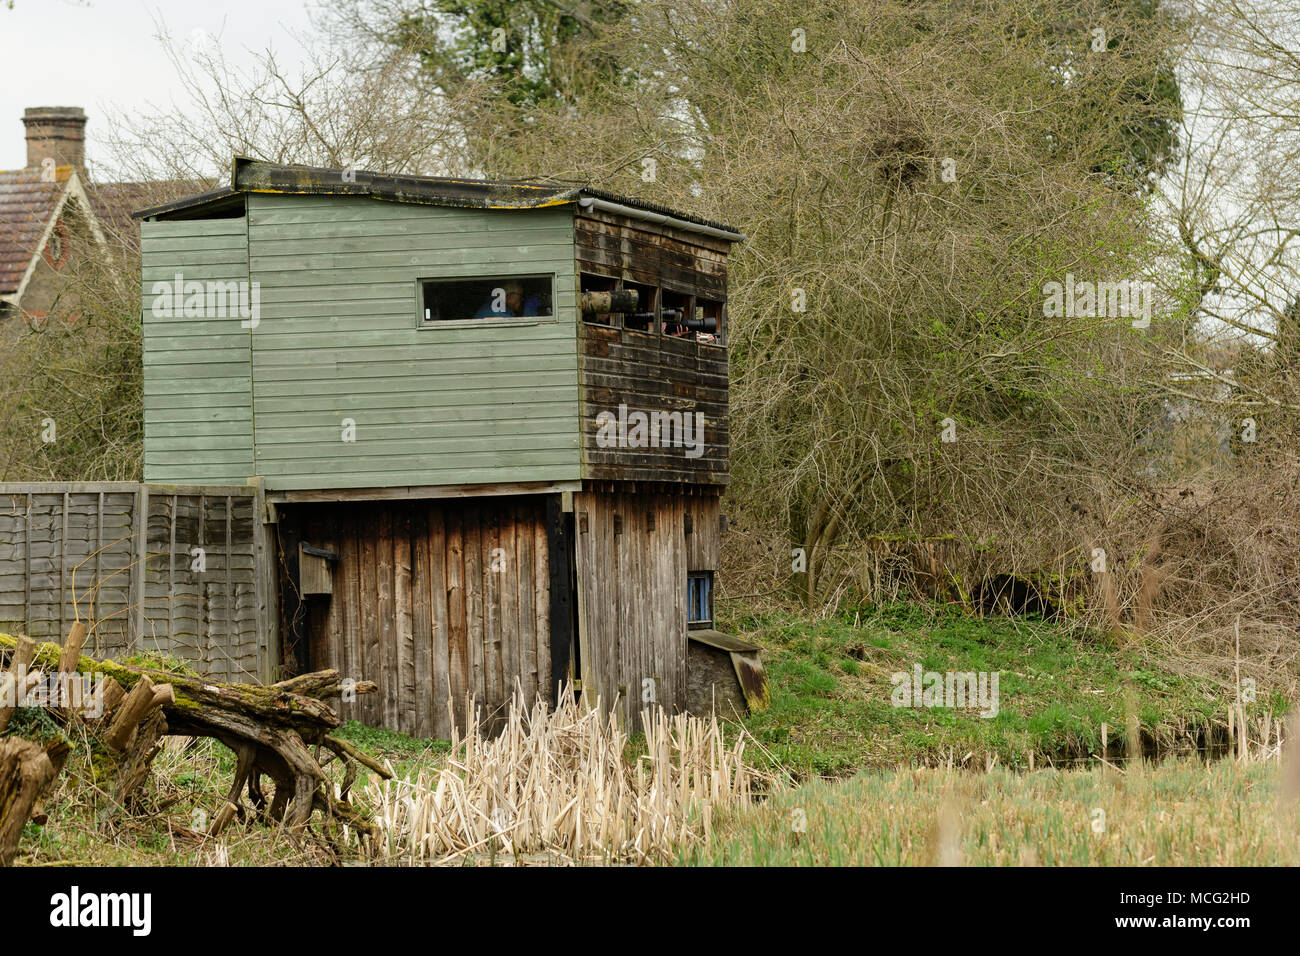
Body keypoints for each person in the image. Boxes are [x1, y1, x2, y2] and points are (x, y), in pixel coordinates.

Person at [473, 280, 543, 319]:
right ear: (509, 295)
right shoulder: (495, 310)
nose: (522, 299)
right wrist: (529, 313)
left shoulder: (497, 308)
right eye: (520, 296)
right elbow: (517, 331)